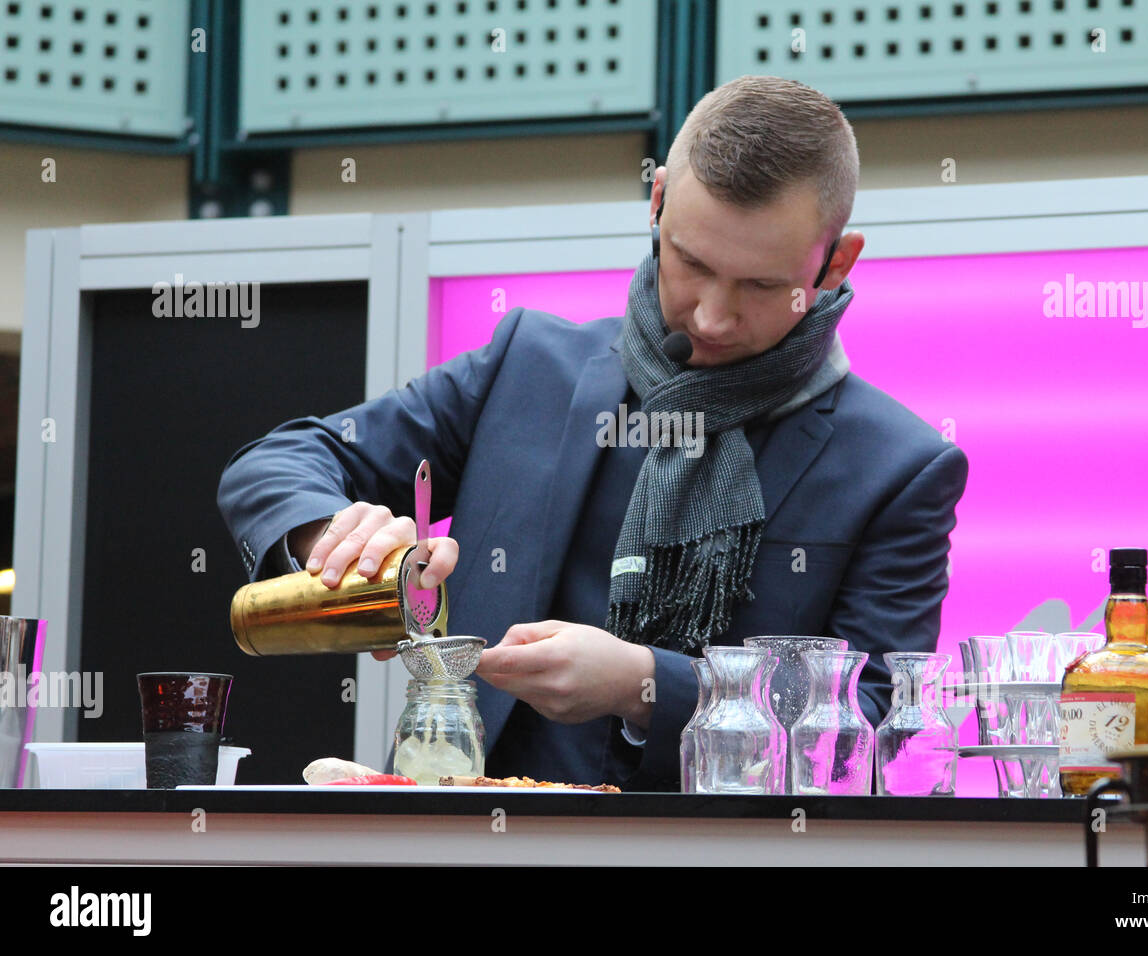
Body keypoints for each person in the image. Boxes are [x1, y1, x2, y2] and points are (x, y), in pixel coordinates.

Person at [217, 75, 969, 792]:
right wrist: (332, 535)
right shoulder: (528, 365)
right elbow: (281, 461)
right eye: (692, 263)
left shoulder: (899, 468)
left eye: (763, 286)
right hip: (459, 849)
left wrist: (647, 684)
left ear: (836, 263)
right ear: (658, 201)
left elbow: (874, 737)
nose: (711, 315)